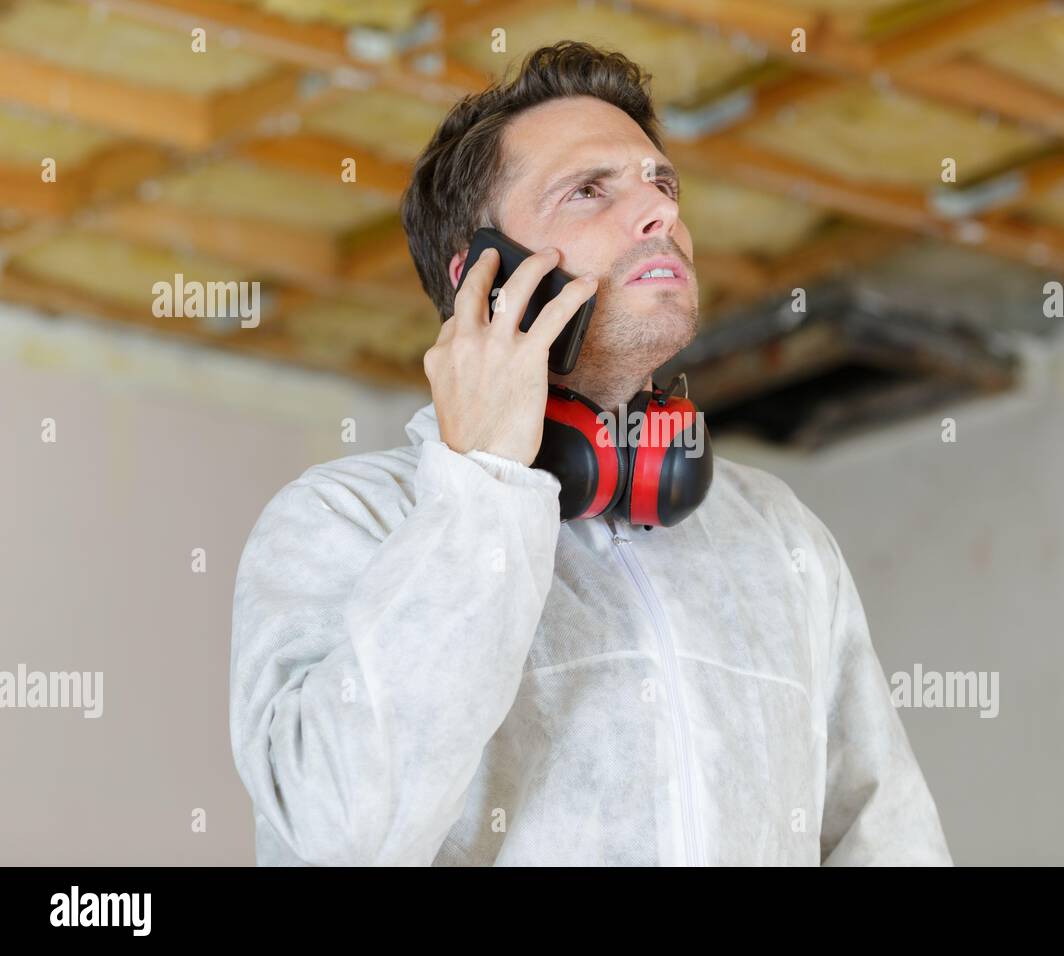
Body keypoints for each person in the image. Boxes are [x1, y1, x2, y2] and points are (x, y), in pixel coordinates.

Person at [228, 41, 952, 866]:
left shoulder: (776, 536)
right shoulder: (344, 520)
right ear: (487, 278)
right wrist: (485, 492)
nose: (660, 214)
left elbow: (883, 834)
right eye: (588, 190)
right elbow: (336, 828)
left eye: (661, 183)